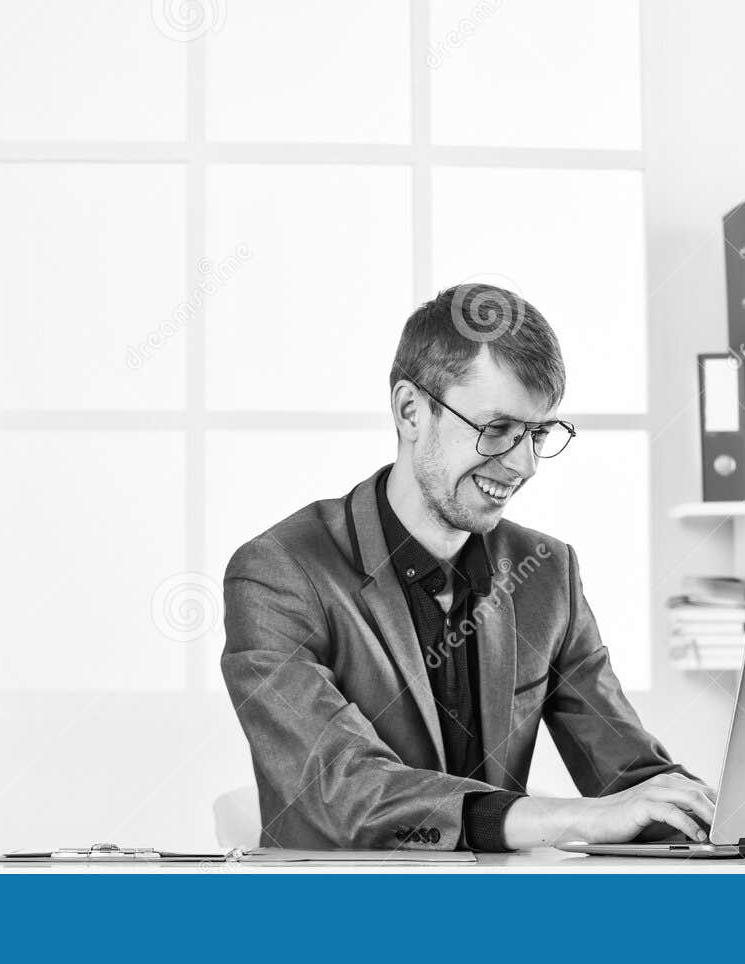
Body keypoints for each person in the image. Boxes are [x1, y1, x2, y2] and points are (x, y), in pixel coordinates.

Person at [221, 284, 714, 851]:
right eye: (496, 429)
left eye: (538, 433)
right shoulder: (278, 572)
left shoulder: (547, 573)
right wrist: (574, 820)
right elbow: (342, 790)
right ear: (411, 411)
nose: (524, 464)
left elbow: (632, 777)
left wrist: (719, 816)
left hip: (495, 902)